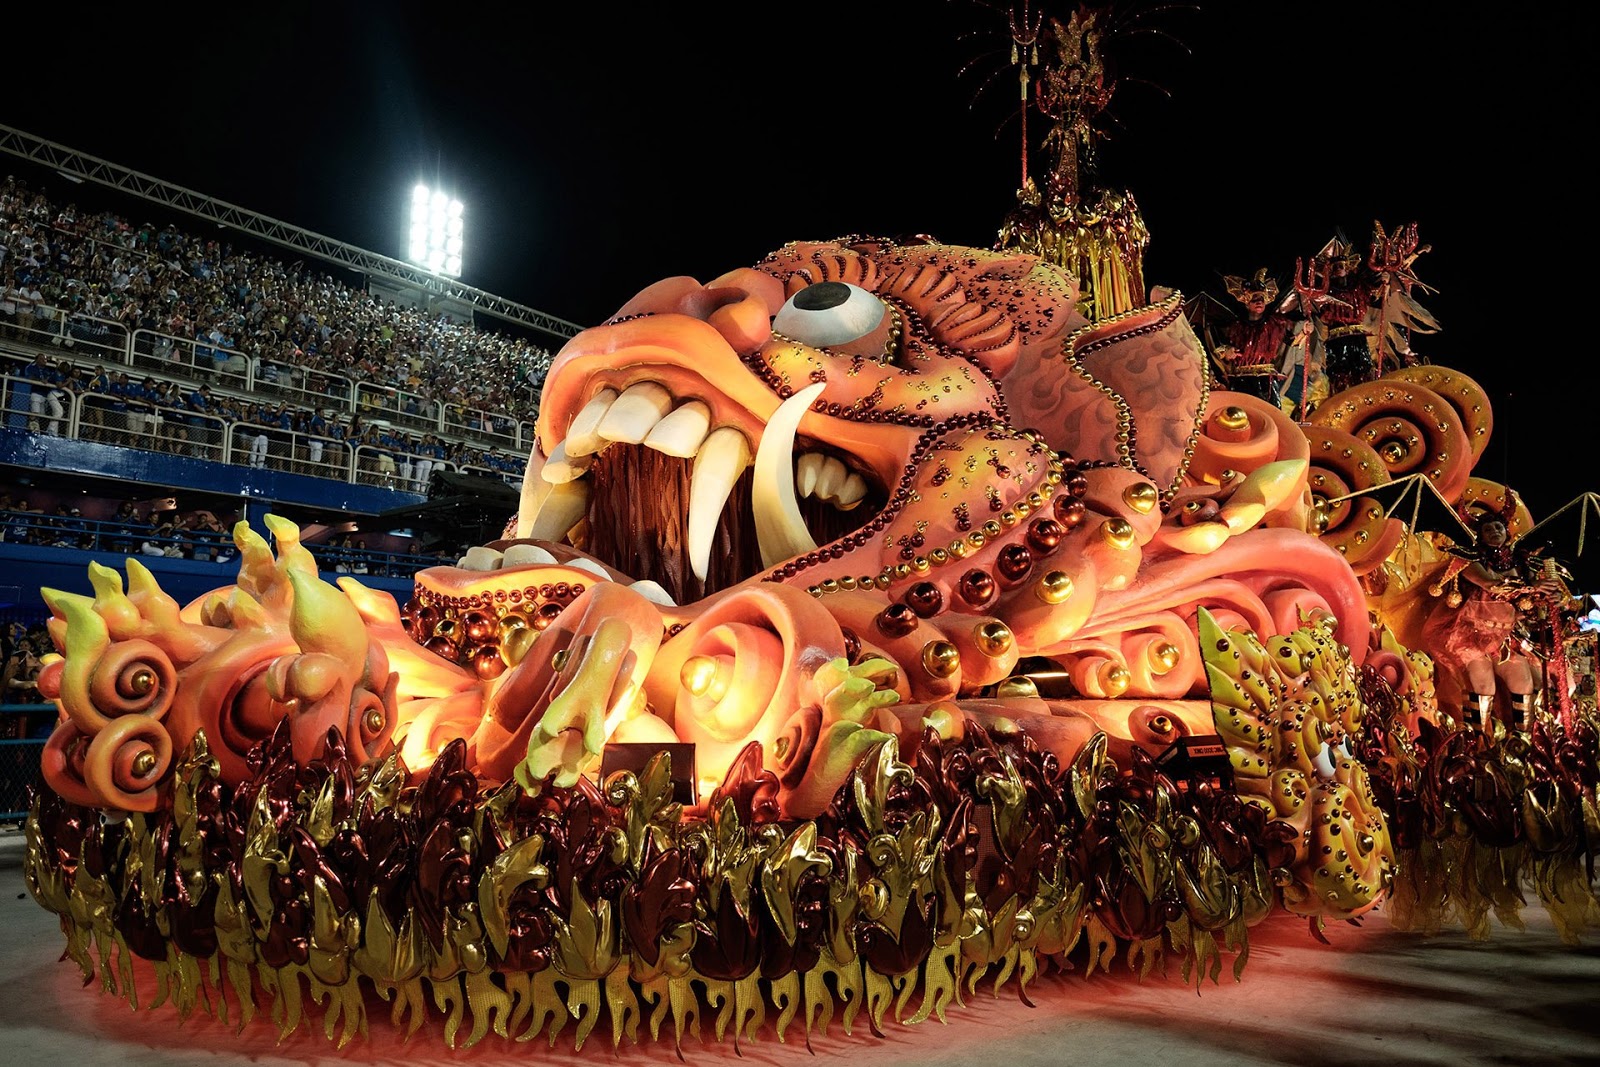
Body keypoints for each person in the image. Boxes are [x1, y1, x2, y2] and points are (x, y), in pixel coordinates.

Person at [1213, 269, 1309, 404]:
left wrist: (1304, 332)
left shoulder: (1274, 324)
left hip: (1266, 381)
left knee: (1272, 412)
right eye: (1255, 300)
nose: (1259, 302)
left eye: (1261, 299)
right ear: (1247, 303)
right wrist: (1227, 351)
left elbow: (1293, 342)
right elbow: (1219, 349)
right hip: (1241, 380)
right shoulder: (1235, 326)